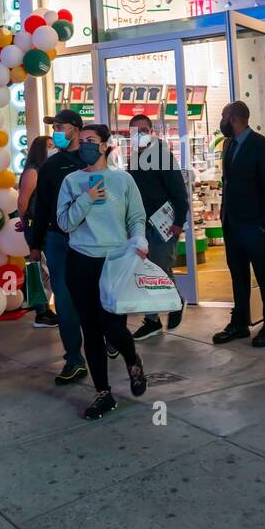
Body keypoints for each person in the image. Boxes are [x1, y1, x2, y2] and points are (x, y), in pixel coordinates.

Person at [55, 124, 149, 420]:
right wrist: (87, 198)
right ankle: (103, 392)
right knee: (91, 330)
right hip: (81, 261)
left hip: (115, 262)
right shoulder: (71, 181)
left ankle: (133, 360)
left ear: (106, 145)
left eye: (91, 141)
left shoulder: (123, 180)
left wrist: (139, 239)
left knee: (113, 327)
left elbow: (136, 217)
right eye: (81, 141)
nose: (85, 146)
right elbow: (64, 223)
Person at [27, 111, 92, 384]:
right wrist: (34, 244)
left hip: (91, 240)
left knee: (96, 298)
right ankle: (74, 359)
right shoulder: (50, 166)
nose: (55, 131)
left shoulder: (92, 160)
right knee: (64, 302)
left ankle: (109, 341)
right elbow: (41, 208)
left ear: (75, 129)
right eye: (53, 127)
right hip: (58, 241)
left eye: (60, 126)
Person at [213, 101, 265, 347]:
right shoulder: (228, 145)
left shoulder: (261, 145)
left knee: (264, 275)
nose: (221, 120)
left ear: (233, 117)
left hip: (254, 225)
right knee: (238, 275)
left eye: (224, 115)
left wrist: (264, 224)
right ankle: (240, 323)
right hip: (232, 224)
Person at [125, 114, 188, 340]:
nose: (139, 135)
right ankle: (152, 320)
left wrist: (179, 222)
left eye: (143, 130)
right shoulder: (133, 159)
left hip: (163, 227)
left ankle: (176, 302)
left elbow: (180, 192)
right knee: (145, 273)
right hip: (140, 228)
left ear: (151, 132)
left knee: (160, 270)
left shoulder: (163, 157)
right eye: (135, 131)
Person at [17, 135, 56, 328]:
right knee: (38, 268)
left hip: (47, 224)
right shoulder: (33, 171)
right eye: (49, 146)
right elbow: (23, 201)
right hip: (36, 226)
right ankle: (41, 311)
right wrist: (25, 223)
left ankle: (44, 310)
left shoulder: (48, 170)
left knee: (44, 268)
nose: (53, 148)